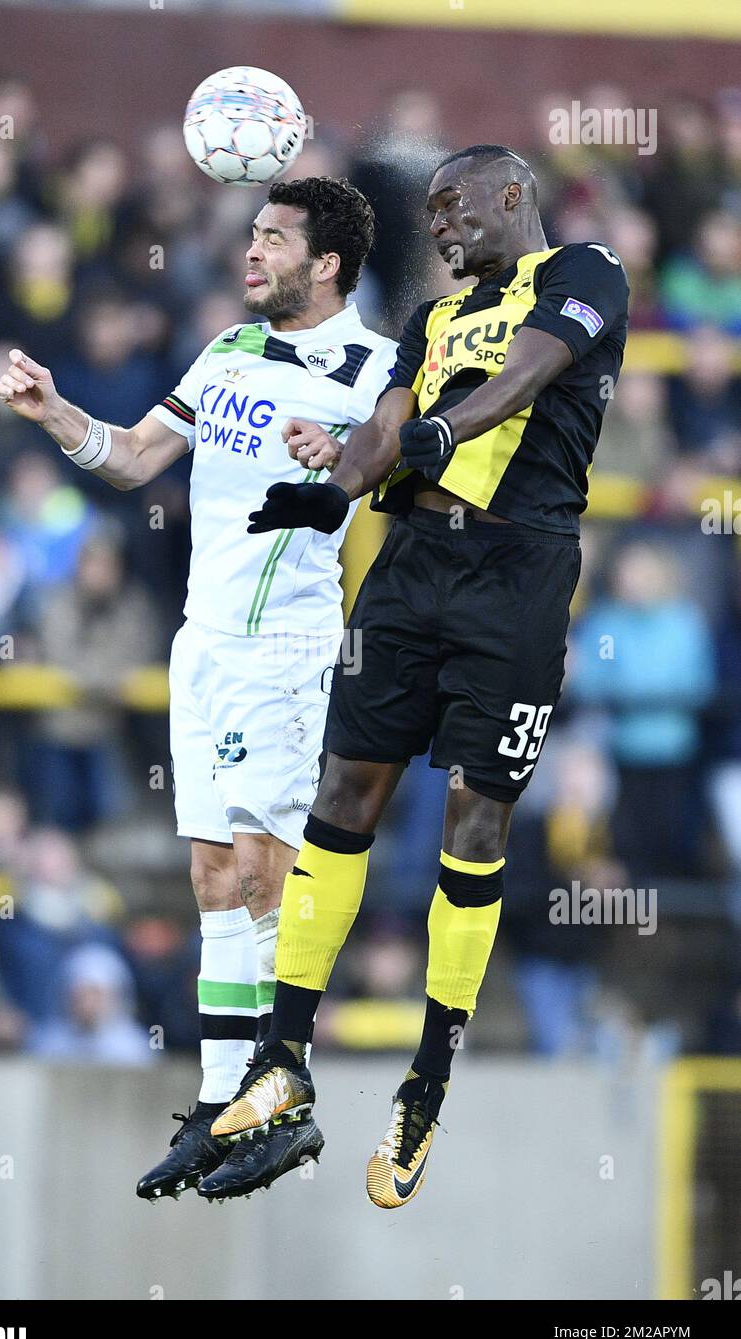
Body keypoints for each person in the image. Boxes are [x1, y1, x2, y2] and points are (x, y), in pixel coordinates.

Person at [206, 145, 629, 1205]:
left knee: (471, 827)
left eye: (453, 206)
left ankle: (426, 1085)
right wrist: (335, 488)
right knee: (339, 797)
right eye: (429, 213)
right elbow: (385, 427)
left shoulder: (585, 271)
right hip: (410, 571)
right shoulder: (430, 320)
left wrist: (427, 435)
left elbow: (525, 377)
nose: (437, 227)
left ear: (511, 197)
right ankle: (280, 1056)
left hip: (518, 573)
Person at [0, 176, 397, 1197]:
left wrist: (349, 459)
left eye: (271, 239)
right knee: (214, 874)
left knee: (269, 874)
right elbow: (132, 458)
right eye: (251, 235)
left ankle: (284, 1098)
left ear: (328, 264)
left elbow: (422, 477)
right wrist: (55, 415)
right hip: (201, 644)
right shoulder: (226, 349)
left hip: (289, 647)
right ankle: (224, 1102)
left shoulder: (378, 366)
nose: (250, 253)